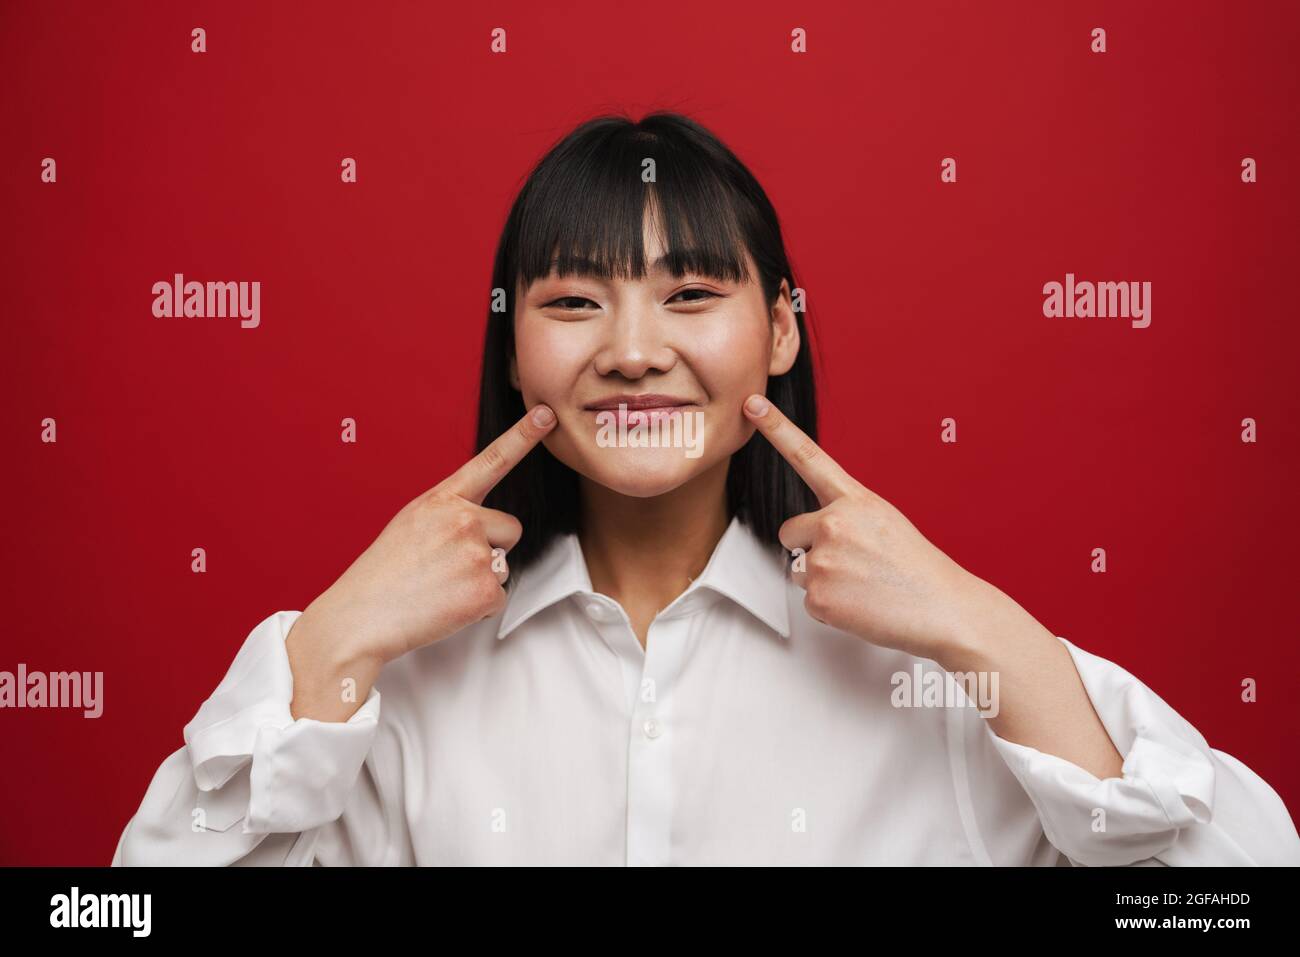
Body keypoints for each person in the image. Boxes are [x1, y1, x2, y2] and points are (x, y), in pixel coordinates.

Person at [112, 112, 1300, 866]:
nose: (633, 351)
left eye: (689, 296)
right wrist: (331, 645)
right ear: (513, 349)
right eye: (574, 302)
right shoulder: (388, 694)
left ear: (780, 330)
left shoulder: (945, 677)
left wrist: (984, 629)